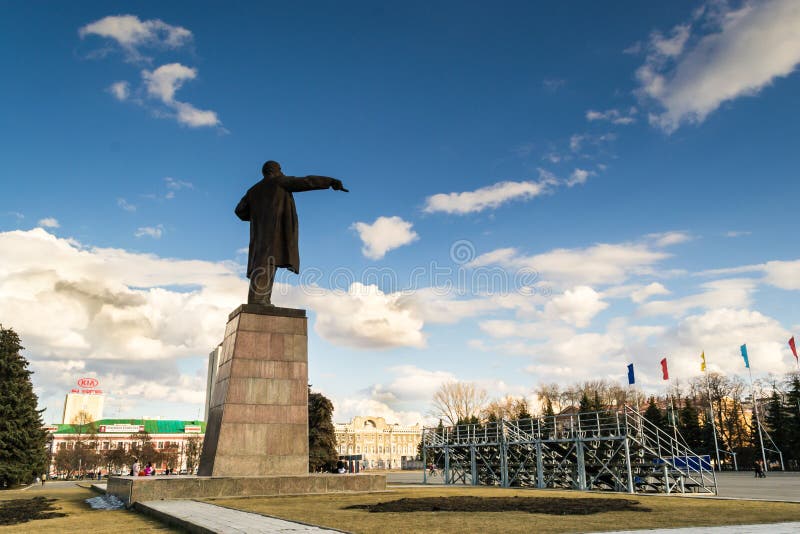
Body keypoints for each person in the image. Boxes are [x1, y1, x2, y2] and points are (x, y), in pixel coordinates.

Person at [236, 160, 348, 306]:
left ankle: (261, 299)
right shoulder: (279, 181)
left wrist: (257, 215)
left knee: (266, 263)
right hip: (274, 232)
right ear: (274, 170)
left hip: (259, 236)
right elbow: (307, 181)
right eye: (280, 169)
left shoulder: (253, 191)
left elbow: (239, 210)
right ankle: (258, 300)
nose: (282, 172)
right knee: (268, 263)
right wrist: (330, 181)